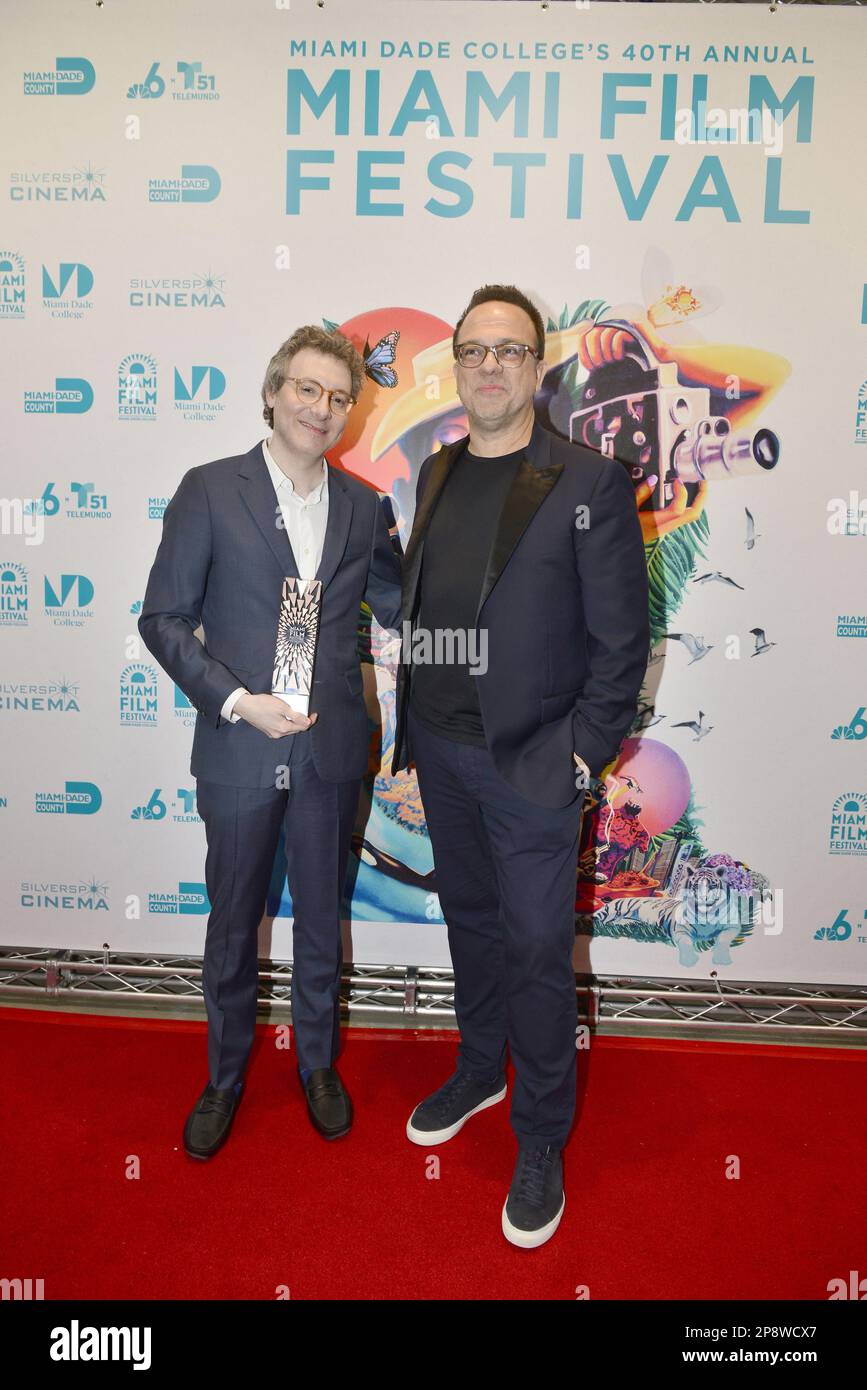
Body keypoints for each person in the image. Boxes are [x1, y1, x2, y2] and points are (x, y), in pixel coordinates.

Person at [392, 285, 650, 1247]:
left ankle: (539, 1135)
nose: (488, 366)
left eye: (508, 351)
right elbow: (427, 605)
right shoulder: (438, 471)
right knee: (471, 923)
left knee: (540, 951)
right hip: (445, 755)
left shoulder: (585, 481)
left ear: (536, 369)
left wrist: (581, 757)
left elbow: (622, 640)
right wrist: (412, 736)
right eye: (472, 351)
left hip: (535, 765)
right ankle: (478, 1067)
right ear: (455, 367)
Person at [139, 326, 402, 1159]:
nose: (320, 409)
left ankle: (318, 1067)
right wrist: (233, 701)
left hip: (329, 754)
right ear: (274, 389)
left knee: (322, 921)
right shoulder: (209, 490)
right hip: (239, 749)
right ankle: (223, 1077)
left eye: (337, 397)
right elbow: (163, 619)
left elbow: (406, 610)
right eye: (306, 389)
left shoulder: (365, 508)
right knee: (233, 923)